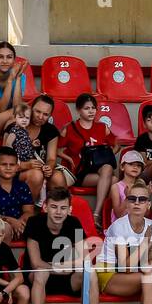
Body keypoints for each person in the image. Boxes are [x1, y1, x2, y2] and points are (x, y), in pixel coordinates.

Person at [24, 187, 105, 304]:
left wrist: (68, 267)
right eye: (54, 207)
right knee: (40, 273)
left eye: (63, 208)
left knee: (91, 273)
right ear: (45, 207)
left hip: (67, 278)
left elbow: (85, 259)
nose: (58, 212)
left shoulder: (73, 222)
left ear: (70, 209)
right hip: (40, 279)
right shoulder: (34, 222)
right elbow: (36, 262)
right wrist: (60, 267)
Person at [60, 93, 117, 225]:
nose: (91, 111)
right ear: (79, 110)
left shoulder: (102, 127)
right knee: (112, 179)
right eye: (87, 108)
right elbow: (57, 149)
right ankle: (101, 217)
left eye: (93, 108)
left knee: (111, 175)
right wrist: (69, 159)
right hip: (81, 173)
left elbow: (117, 145)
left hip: (100, 171)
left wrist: (107, 154)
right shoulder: (70, 128)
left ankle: (98, 215)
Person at [0, 146, 35, 243]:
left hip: (19, 225)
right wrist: (11, 221)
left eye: (12, 164)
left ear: (17, 167)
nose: (8, 168)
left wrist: (19, 223)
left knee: (37, 227)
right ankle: (2, 258)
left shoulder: (22, 186)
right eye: (4, 164)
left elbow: (29, 211)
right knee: (6, 229)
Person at [3, 101, 52, 198]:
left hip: (27, 158)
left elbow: (24, 144)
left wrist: (32, 144)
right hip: (19, 162)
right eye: (21, 117)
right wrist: (16, 161)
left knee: (42, 173)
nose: (24, 120)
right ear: (15, 118)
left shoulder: (24, 131)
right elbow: (8, 145)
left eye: (27, 118)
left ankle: (42, 200)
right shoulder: (14, 131)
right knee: (37, 174)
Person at [27, 94, 72, 192]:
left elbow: (51, 158)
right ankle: (30, 207)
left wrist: (49, 167)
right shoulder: (19, 125)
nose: (40, 117)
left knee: (58, 177)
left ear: (50, 116)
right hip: (20, 169)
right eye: (37, 111)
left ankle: (60, 206)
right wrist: (26, 165)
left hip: (41, 169)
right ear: (31, 109)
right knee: (36, 175)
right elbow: (6, 155)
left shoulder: (51, 131)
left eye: (45, 114)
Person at [105, 149, 147, 228]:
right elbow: (118, 214)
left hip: (138, 227)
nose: (135, 167)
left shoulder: (142, 185)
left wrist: (149, 197)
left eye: (138, 165)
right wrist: (128, 197)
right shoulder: (116, 187)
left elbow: (146, 214)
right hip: (120, 227)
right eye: (131, 164)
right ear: (122, 167)